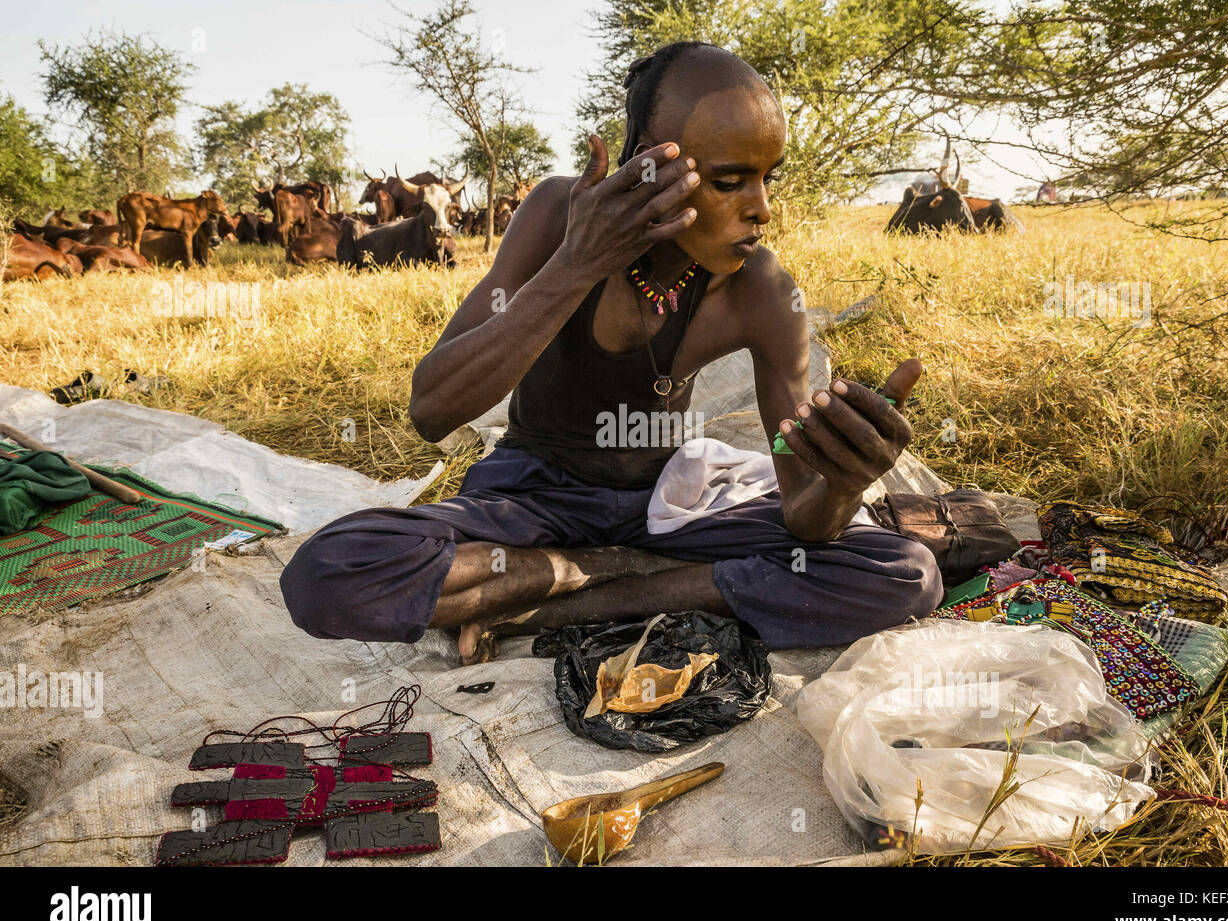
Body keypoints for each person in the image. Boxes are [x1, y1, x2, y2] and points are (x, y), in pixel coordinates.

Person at [280, 42, 942, 664]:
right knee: (330, 572)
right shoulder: (555, 213)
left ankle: (571, 594)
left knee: (903, 572)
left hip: (663, 508)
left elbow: (804, 514)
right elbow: (432, 409)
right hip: (531, 502)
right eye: (732, 180)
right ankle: (632, 580)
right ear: (652, 166)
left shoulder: (761, 292)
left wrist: (841, 483)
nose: (761, 209)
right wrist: (577, 263)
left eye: (768, 178)